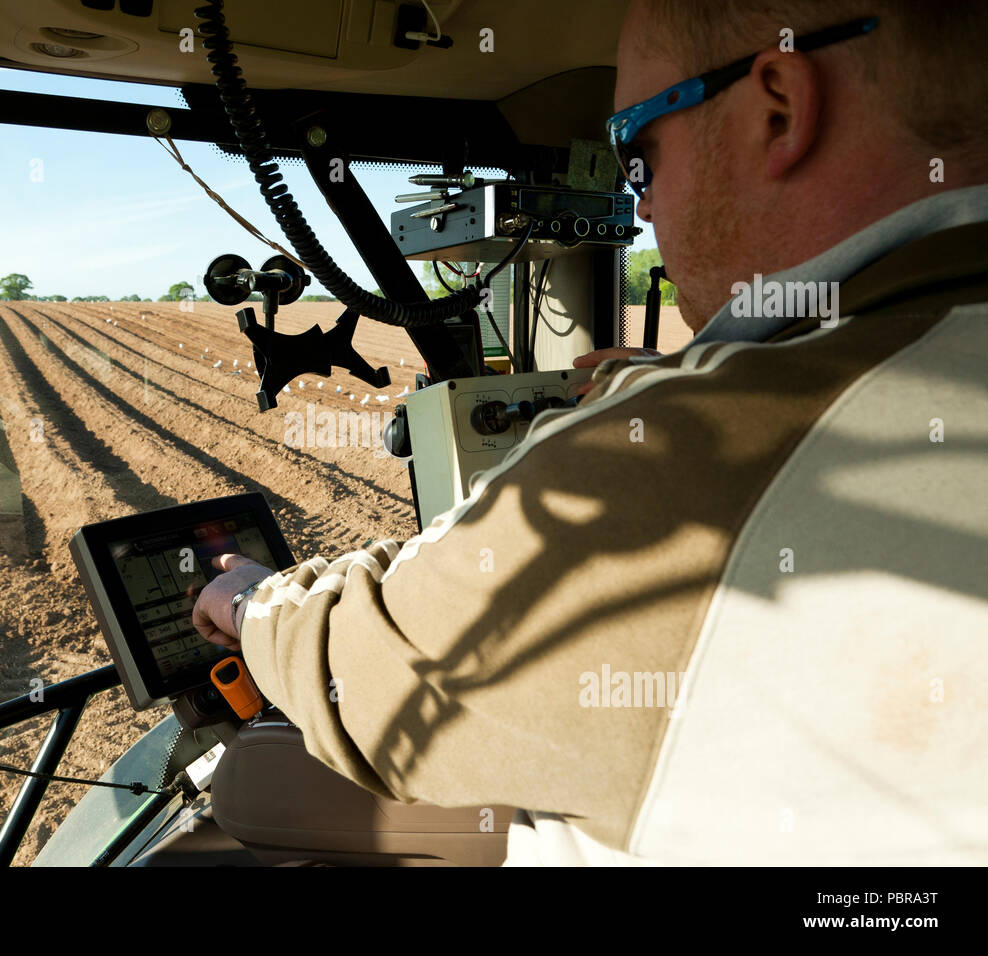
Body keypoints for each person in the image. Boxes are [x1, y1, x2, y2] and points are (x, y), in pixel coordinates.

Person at [193, 0, 988, 865]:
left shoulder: (700, 454)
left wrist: (252, 604)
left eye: (637, 158)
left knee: (246, 794)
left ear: (779, 110)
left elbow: (376, 674)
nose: (641, 215)